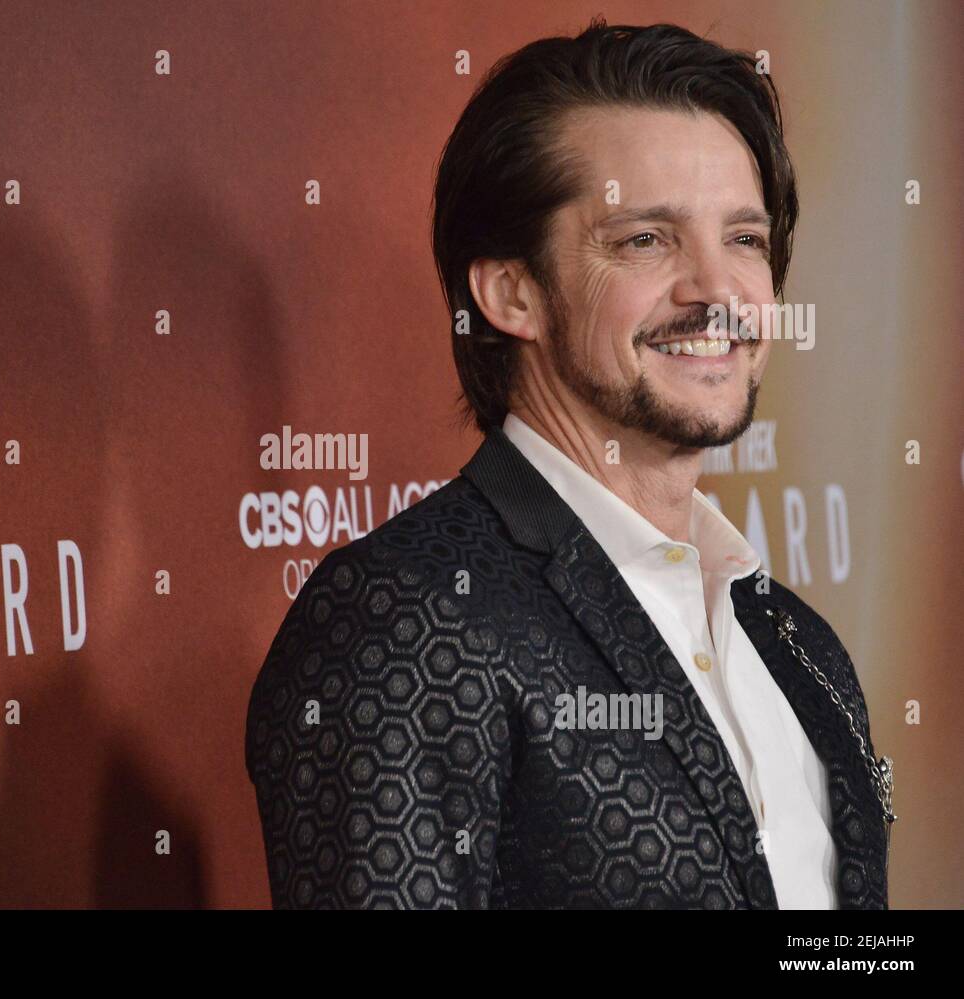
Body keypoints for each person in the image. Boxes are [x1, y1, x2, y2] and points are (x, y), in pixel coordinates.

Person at [244, 19, 890, 909]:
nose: (717, 289)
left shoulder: (793, 644)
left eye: (744, 239)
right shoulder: (408, 623)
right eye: (644, 240)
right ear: (512, 292)